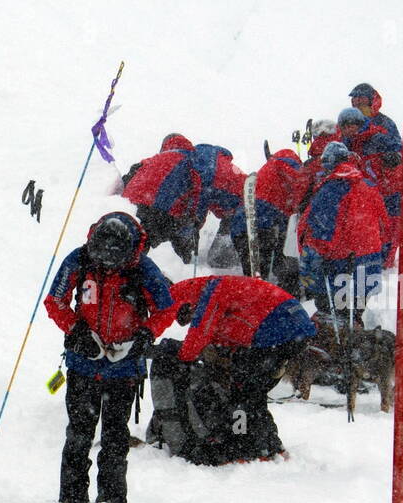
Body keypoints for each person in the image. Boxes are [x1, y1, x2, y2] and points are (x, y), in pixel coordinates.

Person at [45, 212, 174, 503]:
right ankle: (71, 501)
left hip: (124, 368)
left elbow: (166, 308)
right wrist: (76, 330)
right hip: (82, 363)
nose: (107, 265)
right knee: (78, 434)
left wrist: (144, 335)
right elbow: (55, 300)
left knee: (116, 438)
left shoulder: (143, 269)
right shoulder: (78, 260)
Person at [145, 276, 316, 465]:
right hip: (294, 325)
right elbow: (229, 333)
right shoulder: (224, 289)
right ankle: (268, 445)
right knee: (253, 393)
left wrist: (181, 357)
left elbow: (200, 331)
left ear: (185, 302)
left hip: (279, 327)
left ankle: (242, 448)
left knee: (241, 391)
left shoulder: (213, 290)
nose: (185, 321)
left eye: (184, 315)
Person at [298, 141, 390, 329]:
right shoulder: (368, 185)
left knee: (331, 311)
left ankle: (338, 348)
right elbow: (384, 224)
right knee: (355, 310)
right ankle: (359, 342)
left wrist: (314, 258)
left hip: (340, 261)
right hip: (369, 257)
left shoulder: (333, 187)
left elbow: (322, 230)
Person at [122, 135, 247, 263]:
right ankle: (218, 262)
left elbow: (130, 174)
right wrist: (194, 225)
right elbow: (201, 190)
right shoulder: (201, 160)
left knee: (132, 253)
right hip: (166, 212)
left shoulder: (154, 160)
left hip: (129, 208)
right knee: (175, 258)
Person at [344, 84, 403, 264]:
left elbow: (399, 151)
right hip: (361, 185)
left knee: (388, 222)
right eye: (355, 103)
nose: (359, 107)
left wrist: (393, 157)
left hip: (385, 185)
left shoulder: (385, 124)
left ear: (372, 102)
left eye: (362, 102)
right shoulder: (350, 126)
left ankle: (384, 259)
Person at [230, 149, 306, 284]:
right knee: (262, 272)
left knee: (252, 274)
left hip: (240, 225)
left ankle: (254, 292)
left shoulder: (266, 171)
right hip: (262, 226)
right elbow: (296, 196)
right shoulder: (288, 167)